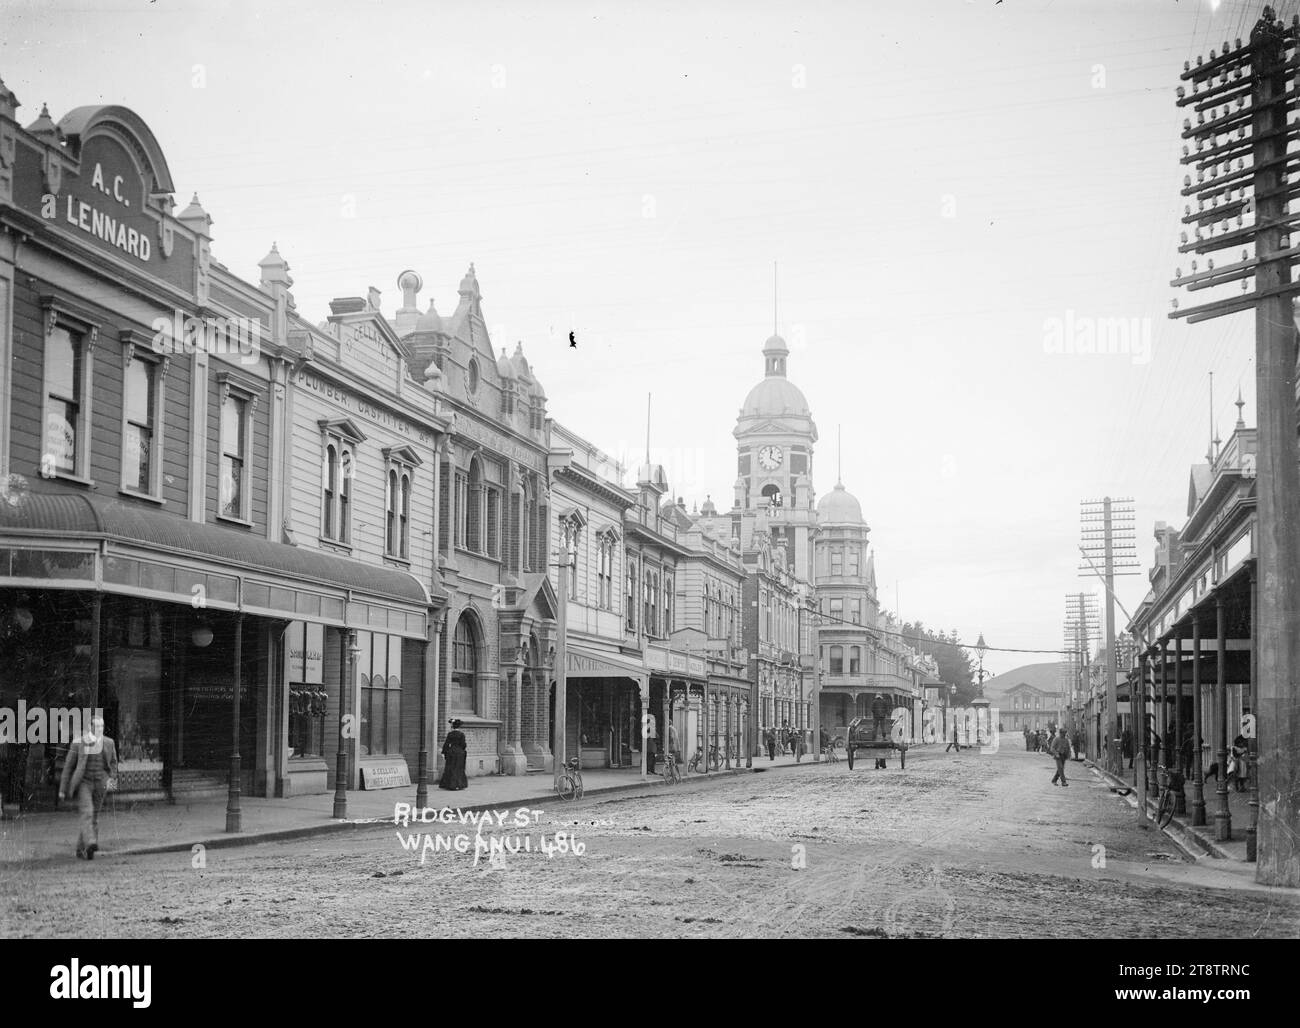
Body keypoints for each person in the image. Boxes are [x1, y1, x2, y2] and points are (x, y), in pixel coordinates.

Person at [57, 714, 118, 860]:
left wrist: (111, 783)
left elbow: (114, 764)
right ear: (90, 727)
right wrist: (62, 789)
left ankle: (83, 849)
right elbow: (68, 767)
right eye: (97, 726)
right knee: (87, 812)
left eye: (102, 726)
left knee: (94, 816)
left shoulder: (109, 743)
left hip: (100, 783)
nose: (100, 729)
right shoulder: (78, 743)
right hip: (84, 783)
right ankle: (91, 842)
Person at [439, 718, 468, 790]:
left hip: (451, 752)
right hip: (459, 753)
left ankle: (449, 784)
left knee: (450, 768)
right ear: (459, 726)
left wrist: (444, 752)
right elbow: (463, 745)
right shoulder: (461, 734)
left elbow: (446, 744)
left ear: (453, 726)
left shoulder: (450, 734)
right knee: (459, 768)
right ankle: (459, 784)